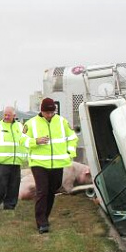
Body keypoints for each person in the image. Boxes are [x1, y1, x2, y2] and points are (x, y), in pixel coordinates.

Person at [24, 98, 78, 233]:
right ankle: (41, 223)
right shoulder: (31, 123)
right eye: (46, 112)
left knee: (52, 190)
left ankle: (45, 217)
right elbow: (22, 140)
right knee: (42, 191)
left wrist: (70, 152)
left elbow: (72, 137)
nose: (49, 115)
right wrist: (35, 141)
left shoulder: (62, 121)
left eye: (51, 112)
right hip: (38, 163)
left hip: (57, 163)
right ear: (41, 111)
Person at [0, 106, 27, 210]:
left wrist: (25, 155)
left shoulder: (20, 126)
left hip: (16, 162)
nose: (7, 117)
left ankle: (10, 205)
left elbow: (26, 141)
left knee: (14, 185)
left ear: (14, 115)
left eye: (9, 115)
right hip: (2, 162)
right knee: (0, 185)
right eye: (5, 114)